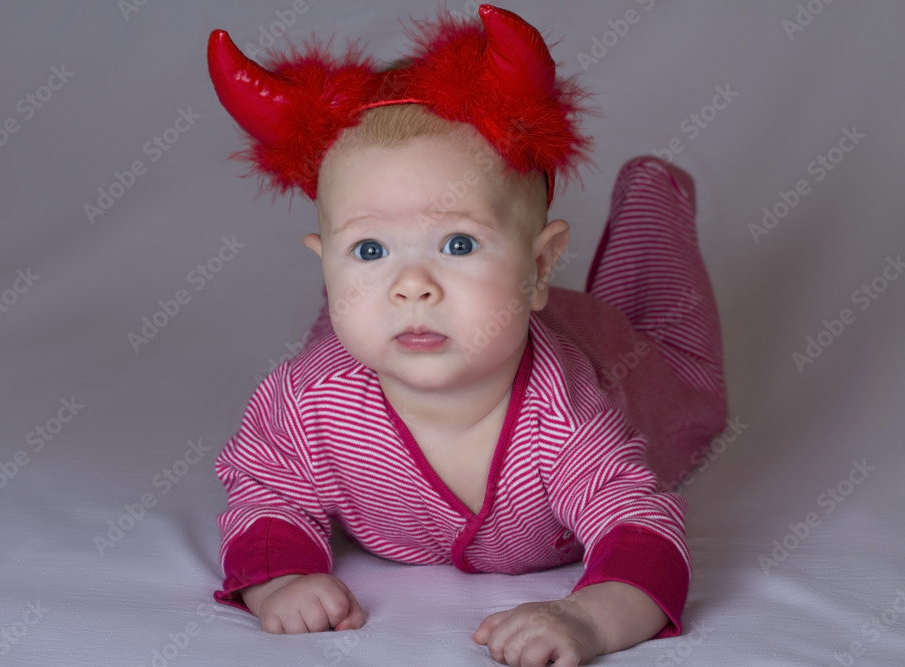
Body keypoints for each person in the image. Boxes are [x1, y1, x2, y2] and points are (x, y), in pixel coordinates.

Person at [206, 5, 727, 665]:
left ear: (540, 266)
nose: (414, 282)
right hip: (448, 322)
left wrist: (591, 617)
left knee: (675, 346)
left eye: (457, 242)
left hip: (629, 362)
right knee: (364, 319)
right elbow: (264, 488)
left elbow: (641, 525)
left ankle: (654, 195)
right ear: (323, 264)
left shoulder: (565, 414)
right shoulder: (307, 400)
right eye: (368, 248)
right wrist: (279, 577)